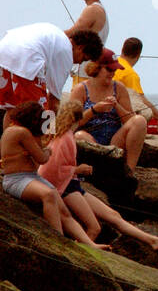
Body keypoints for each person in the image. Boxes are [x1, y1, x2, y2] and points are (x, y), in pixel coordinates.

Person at [40, 98, 158, 250]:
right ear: (76, 119)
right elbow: (51, 169)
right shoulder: (65, 138)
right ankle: (81, 253)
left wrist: (73, 171)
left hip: (72, 184)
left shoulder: (59, 135)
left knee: (113, 216)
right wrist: (77, 170)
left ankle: (153, 240)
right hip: (66, 187)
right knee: (94, 228)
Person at [1, 101, 104, 246]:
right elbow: (42, 159)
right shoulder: (19, 132)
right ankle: (58, 240)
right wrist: (48, 150)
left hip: (32, 177)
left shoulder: (25, 132)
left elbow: (38, 155)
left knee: (63, 211)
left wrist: (42, 146)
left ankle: (90, 244)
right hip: (16, 179)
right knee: (48, 194)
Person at [69, 49, 148, 172]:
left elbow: (130, 120)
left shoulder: (119, 88)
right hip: (90, 140)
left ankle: (129, 171)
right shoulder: (81, 89)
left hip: (114, 141)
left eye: (114, 70)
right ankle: (99, 168)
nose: (112, 74)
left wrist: (117, 105)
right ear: (96, 68)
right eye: (109, 70)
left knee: (140, 121)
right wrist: (94, 110)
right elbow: (72, 124)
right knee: (79, 136)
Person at [0, 24, 102, 114]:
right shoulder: (66, 52)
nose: (80, 63)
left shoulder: (57, 36)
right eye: (83, 59)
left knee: (12, 109)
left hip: (4, 53)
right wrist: (53, 130)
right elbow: (53, 100)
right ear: (80, 48)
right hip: (26, 61)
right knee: (37, 115)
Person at [67, 0, 110, 84]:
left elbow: (72, 33)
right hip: (90, 68)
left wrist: (52, 34)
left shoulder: (93, 10)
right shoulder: (99, 9)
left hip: (86, 69)